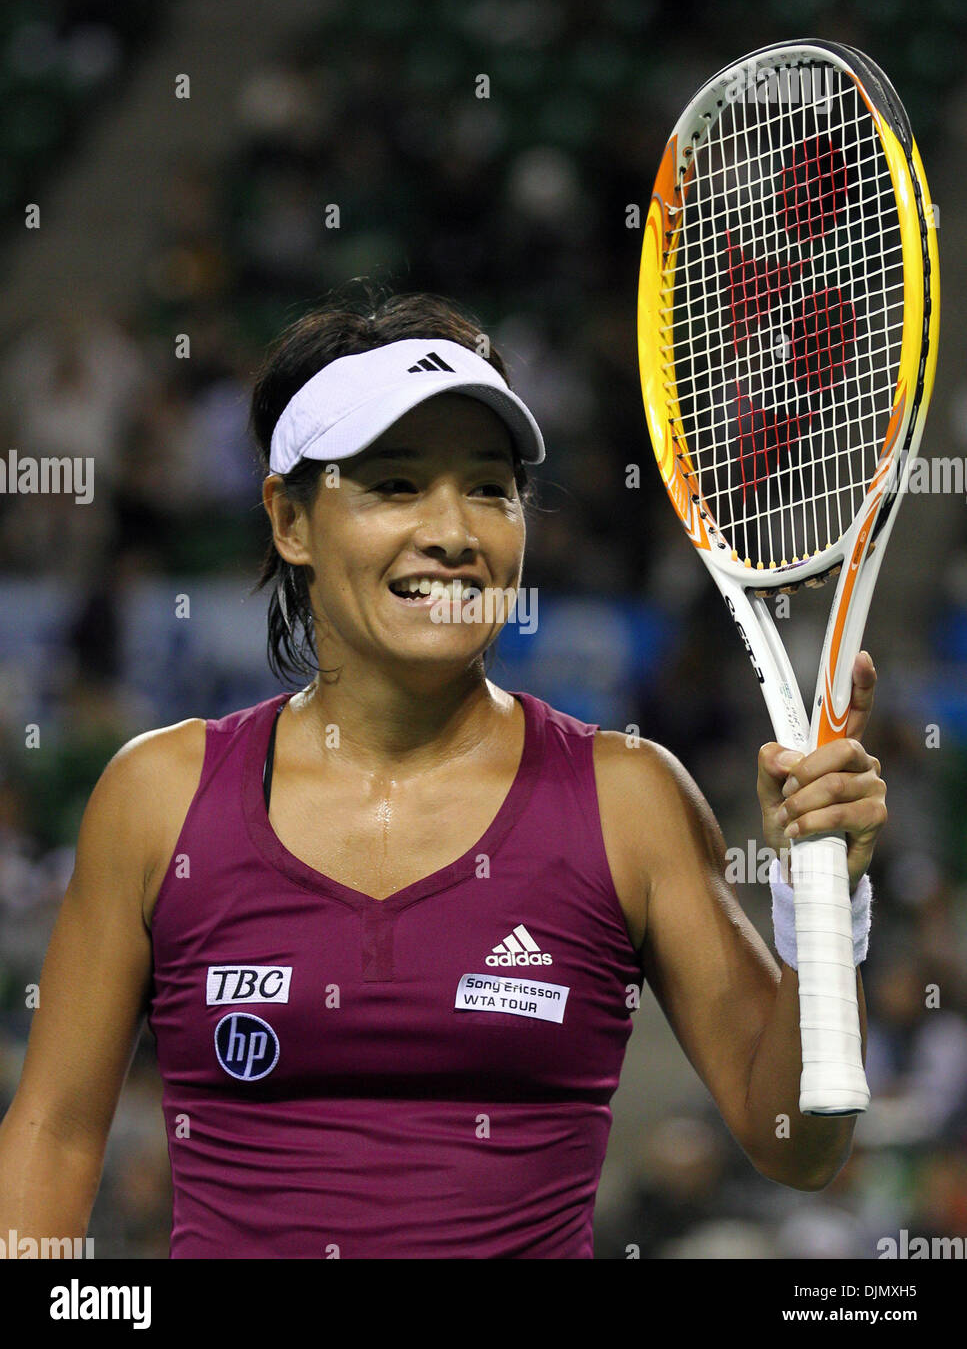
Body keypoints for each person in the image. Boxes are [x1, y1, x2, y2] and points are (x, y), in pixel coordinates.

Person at [0, 288, 886, 1259]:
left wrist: (820, 900)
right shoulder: (157, 798)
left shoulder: (629, 799)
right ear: (289, 519)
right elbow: (54, 1132)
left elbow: (796, 1145)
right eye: (394, 485)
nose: (454, 531)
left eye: (488, 487)